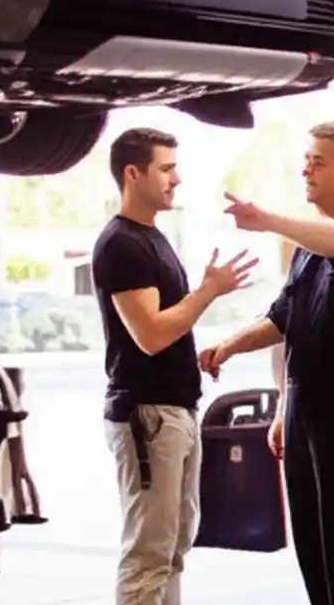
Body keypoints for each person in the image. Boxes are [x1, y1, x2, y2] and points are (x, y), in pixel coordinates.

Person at [198, 121, 334, 605]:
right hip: (304, 409)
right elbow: (285, 319)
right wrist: (231, 346)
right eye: (306, 158)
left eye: (319, 160)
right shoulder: (306, 256)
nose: (306, 168)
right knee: (312, 543)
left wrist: (268, 220)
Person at [91, 126, 258, 605]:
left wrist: (198, 349)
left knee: (173, 551)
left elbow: (167, 326)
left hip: (175, 412)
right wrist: (209, 290)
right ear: (132, 173)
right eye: (166, 168)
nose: (176, 179)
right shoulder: (121, 243)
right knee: (149, 555)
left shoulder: (152, 239)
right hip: (148, 417)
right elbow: (151, 335)